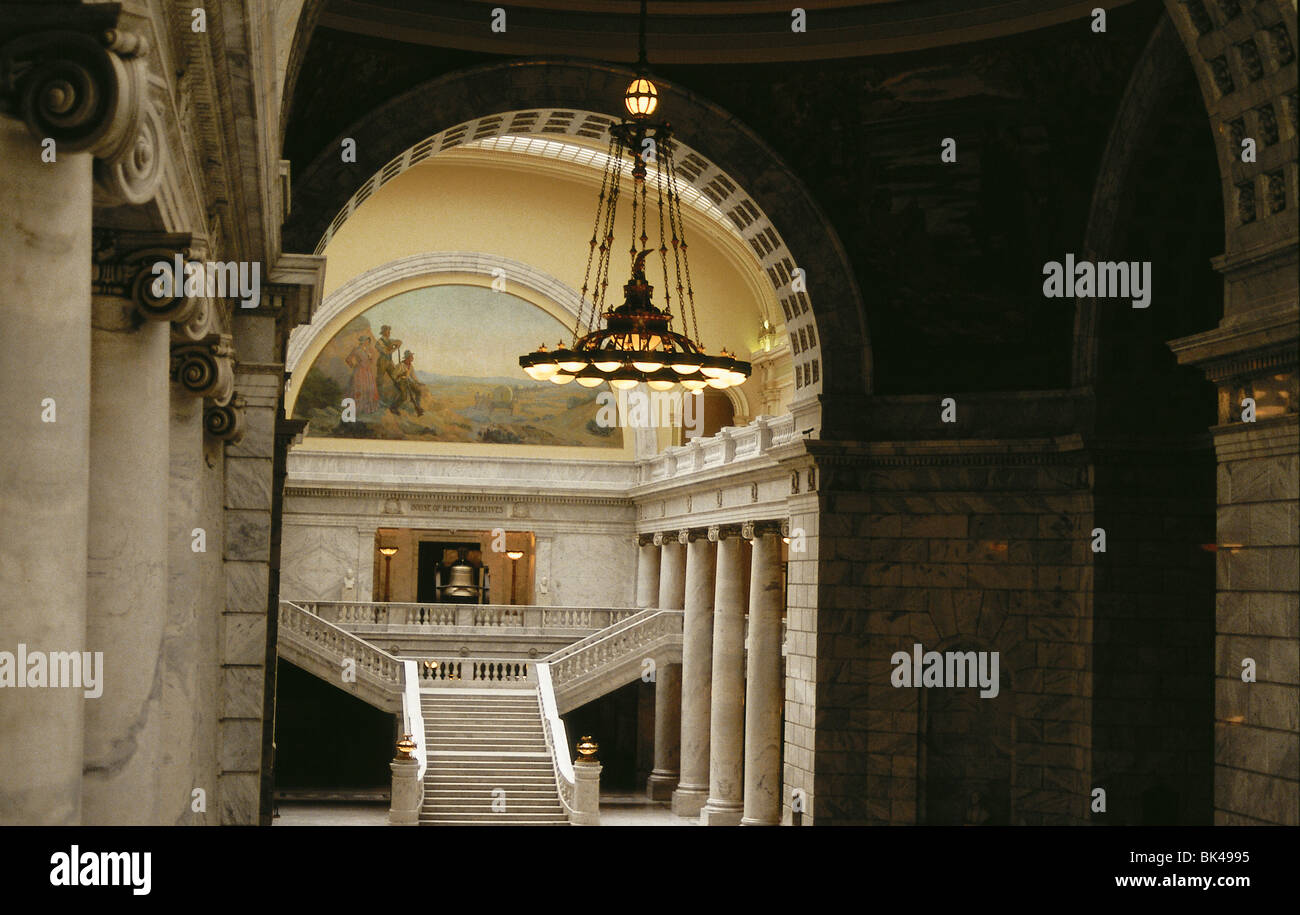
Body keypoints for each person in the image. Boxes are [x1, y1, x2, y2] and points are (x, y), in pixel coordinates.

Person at [343, 334, 380, 414]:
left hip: (368, 372)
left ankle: (366, 409)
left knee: (368, 389)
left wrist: (370, 359)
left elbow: (371, 362)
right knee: (359, 388)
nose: (368, 342)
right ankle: (356, 408)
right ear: (363, 341)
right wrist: (353, 366)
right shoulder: (356, 350)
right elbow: (348, 359)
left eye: (368, 341)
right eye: (367, 341)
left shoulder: (367, 350)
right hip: (359, 372)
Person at [389, 349, 426, 416]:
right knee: (404, 396)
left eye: (412, 357)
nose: (412, 358)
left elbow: (413, 376)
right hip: (400, 381)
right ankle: (393, 408)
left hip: (407, 381)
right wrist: (401, 374)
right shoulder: (400, 365)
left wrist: (418, 382)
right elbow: (393, 376)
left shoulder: (411, 366)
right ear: (407, 358)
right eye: (411, 357)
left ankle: (418, 406)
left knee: (418, 391)